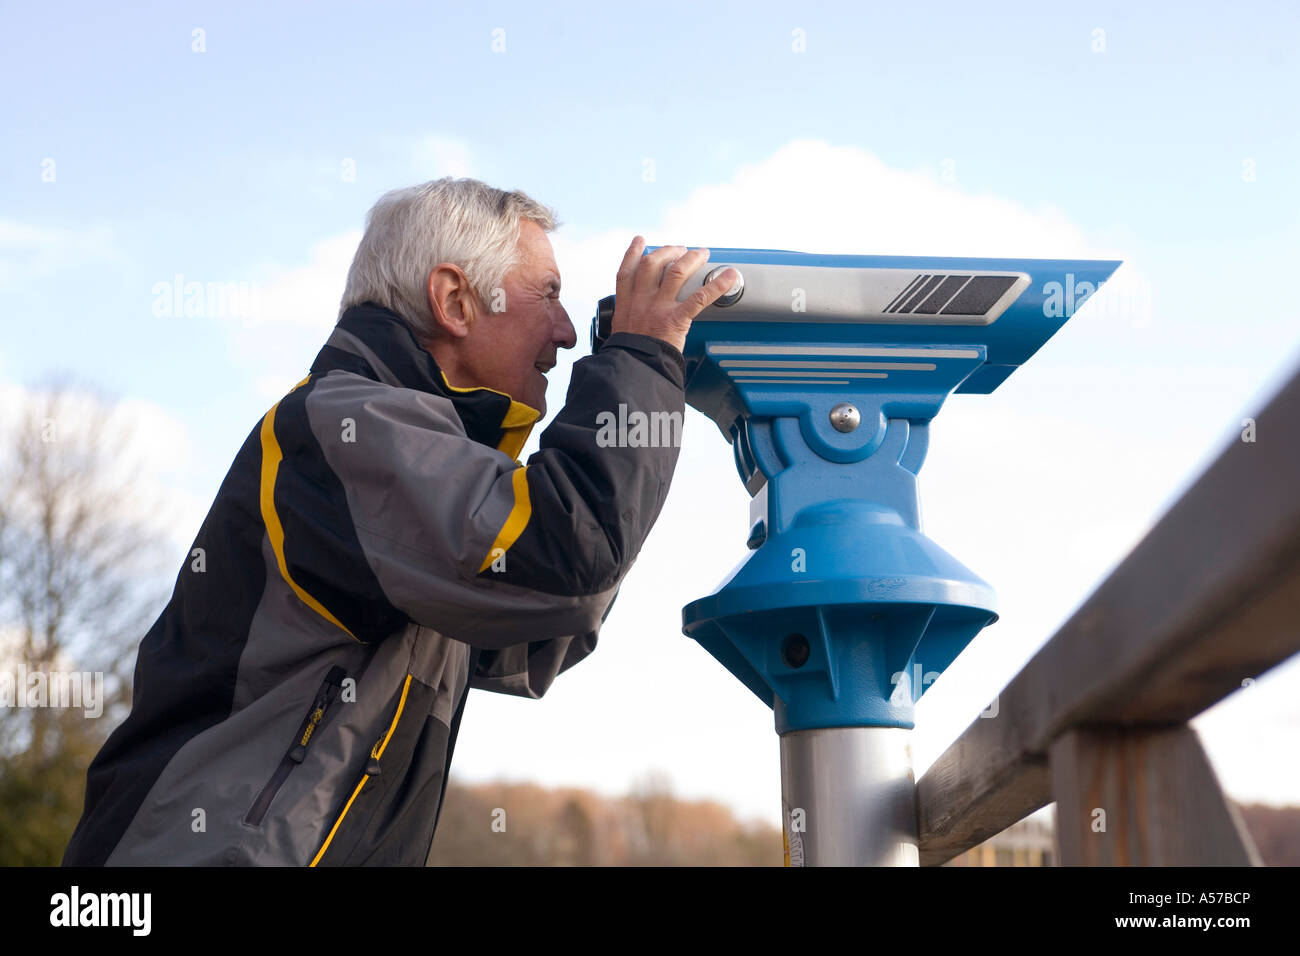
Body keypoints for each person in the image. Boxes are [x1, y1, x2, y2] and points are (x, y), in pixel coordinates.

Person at [61, 177, 738, 866]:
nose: (566, 333)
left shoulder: (415, 484)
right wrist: (640, 356)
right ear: (453, 301)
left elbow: (551, 618)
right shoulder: (346, 425)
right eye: (549, 294)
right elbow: (569, 547)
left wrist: (633, 375)